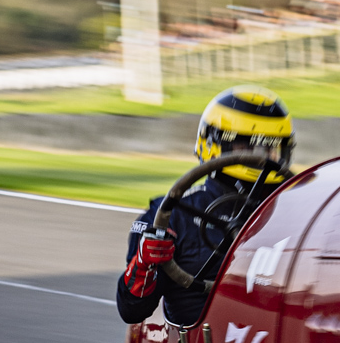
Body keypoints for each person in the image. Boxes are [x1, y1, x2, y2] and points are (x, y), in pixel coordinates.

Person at [117, 86, 294, 326]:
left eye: (269, 148)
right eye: (247, 146)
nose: (260, 157)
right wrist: (144, 263)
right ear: (216, 143)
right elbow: (132, 310)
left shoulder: (296, 208)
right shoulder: (169, 215)